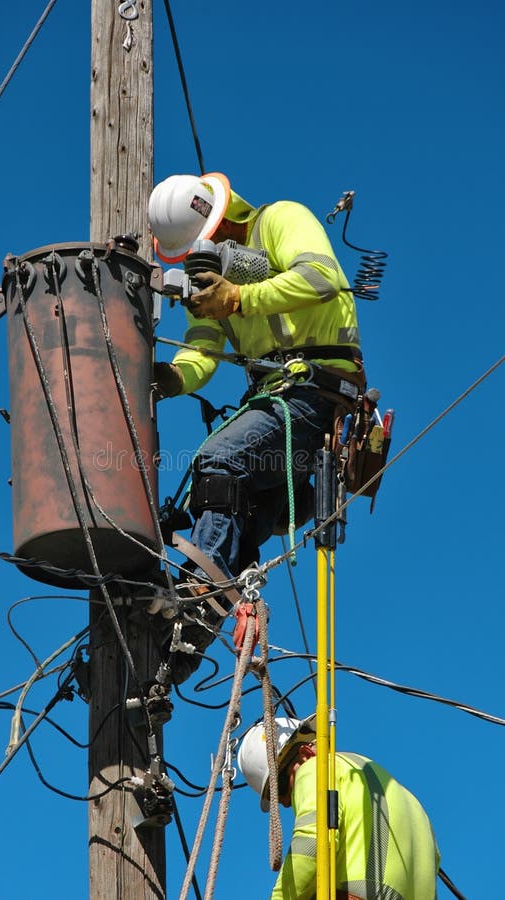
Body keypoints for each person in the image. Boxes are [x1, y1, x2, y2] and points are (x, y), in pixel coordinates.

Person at [149, 173, 366, 678]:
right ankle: (187, 636)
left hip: (319, 391)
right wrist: (163, 378)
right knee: (240, 511)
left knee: (220, 459)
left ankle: (203, 589)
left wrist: (239, 298)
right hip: (279, 400)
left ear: (223, 218)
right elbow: (200, 355)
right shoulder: (211, 284)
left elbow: (321, 278)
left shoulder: (280, 218)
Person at [237, 716, 441, 900]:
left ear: (306, 752)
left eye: (279, 787)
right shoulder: (410, 802)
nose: (283, 801)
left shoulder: (315, 768)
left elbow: (311, 841)